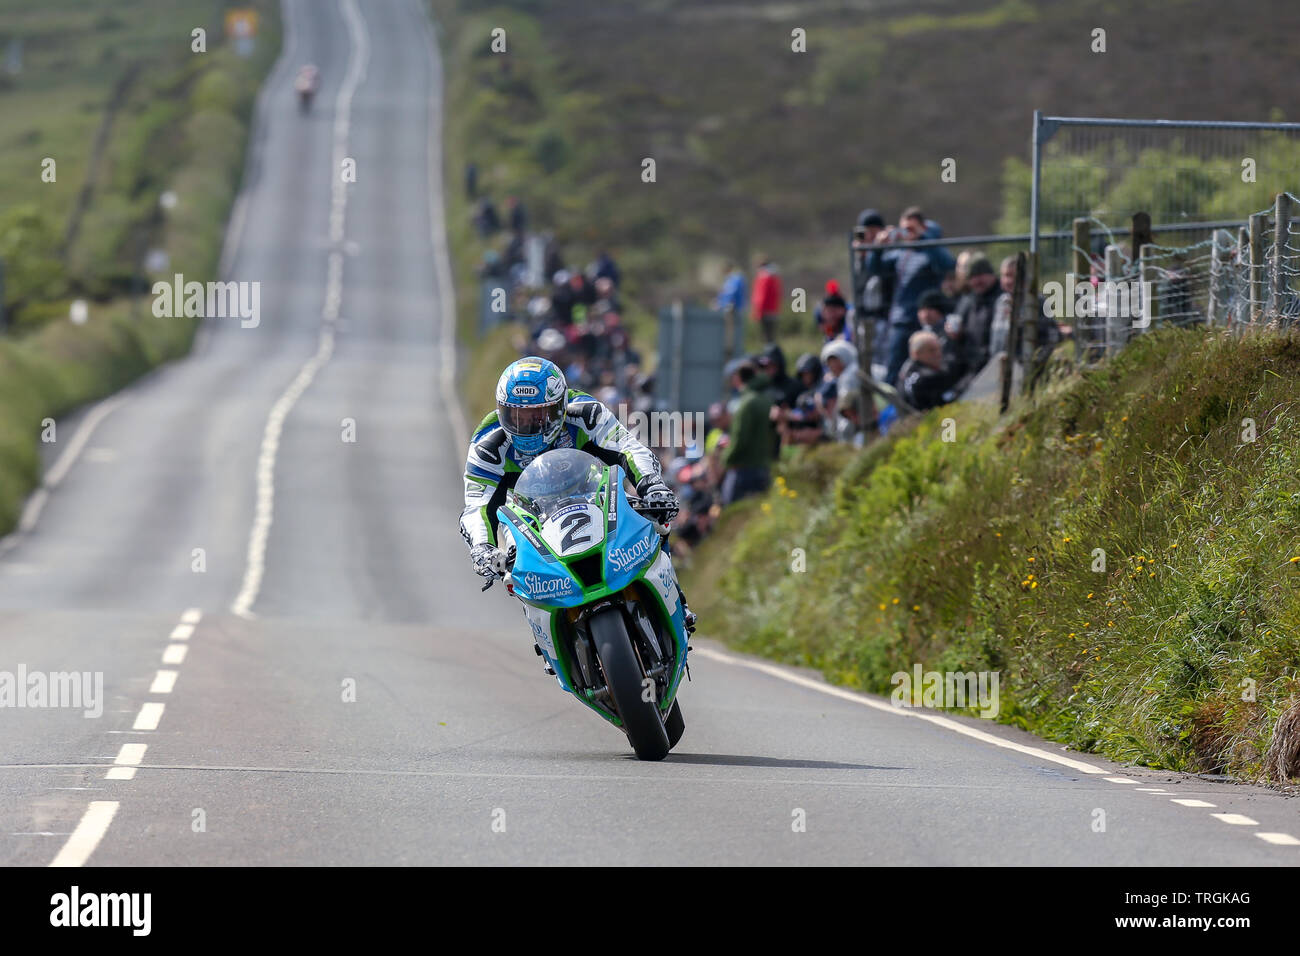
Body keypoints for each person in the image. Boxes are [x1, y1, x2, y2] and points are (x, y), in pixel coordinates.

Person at [460, 357, 696, 631]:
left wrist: (651, 484)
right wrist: (482, 547)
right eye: (516, 416)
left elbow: (628, 447)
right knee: (514, 569)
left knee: (655, 518)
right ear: (501, 412)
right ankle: (546, 638)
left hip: (594, 494)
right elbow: (476, 506)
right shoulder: (487, 447)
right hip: (531, 518)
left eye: (538, 416)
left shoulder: (585, 413)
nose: (527, 426)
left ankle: (677, 599)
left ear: (560, 408)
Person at [875, 207, 955, 388]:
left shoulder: (930, 249)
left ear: (923, 227)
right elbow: (875, 269)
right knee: (893, 371)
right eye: (904, 228)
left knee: (924, 369)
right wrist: (878, 248)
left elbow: (948, 264)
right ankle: (892, 412)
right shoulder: (901, 253)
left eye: (911, 228)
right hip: (900, 321)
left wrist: (923, 237)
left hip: (924, 322)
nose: (907, 233)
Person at [720, 361, 774, 504]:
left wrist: (726, 458)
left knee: (732, 513)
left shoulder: (746, 404)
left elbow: (740, 439)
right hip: (763, 466)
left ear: (738, 378)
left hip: (744, 470)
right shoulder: (765, 400)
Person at [897, 330, 960, 411]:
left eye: (939, 348)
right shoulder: (920, 379)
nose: (938, 354)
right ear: (916, 354)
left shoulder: (946, 361)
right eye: (932, 350)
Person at [751, 257, 782, 345]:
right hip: (773, 311)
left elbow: (761, 296)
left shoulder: (764, 277)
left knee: (766, 338)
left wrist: (758, 311)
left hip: (765, 311)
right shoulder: (774, 277)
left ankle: (767, 356)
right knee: (771, 337)